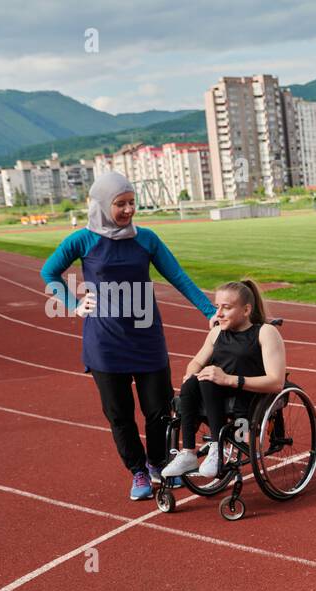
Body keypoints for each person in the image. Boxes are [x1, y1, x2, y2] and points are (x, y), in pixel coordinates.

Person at [40, 171, 216, 500]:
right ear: (103, 205)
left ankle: (158, 462)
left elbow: (178, 276)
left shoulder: (146, 239)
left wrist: (209, 312)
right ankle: (137, 472)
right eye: (120, 204)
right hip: (105, 342)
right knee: (119, 414)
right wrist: (72, 304)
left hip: (146, 337)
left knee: (159, 410)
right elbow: (49, 271)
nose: (128, 209)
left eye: (132, 202)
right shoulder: (82, 240)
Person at [162, 279, 286, 479]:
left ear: (246, 310)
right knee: (198, 378)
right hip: (215, 393)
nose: (218, 314)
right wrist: (190, 374)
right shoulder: (217, 332)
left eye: (226, 308)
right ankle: (188, 452)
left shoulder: (265, 332)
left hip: (250, 397)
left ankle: (218, 448)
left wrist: (229, 379)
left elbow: (276, 382)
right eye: (217, 307)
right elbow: (195, 363)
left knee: (209, 378)